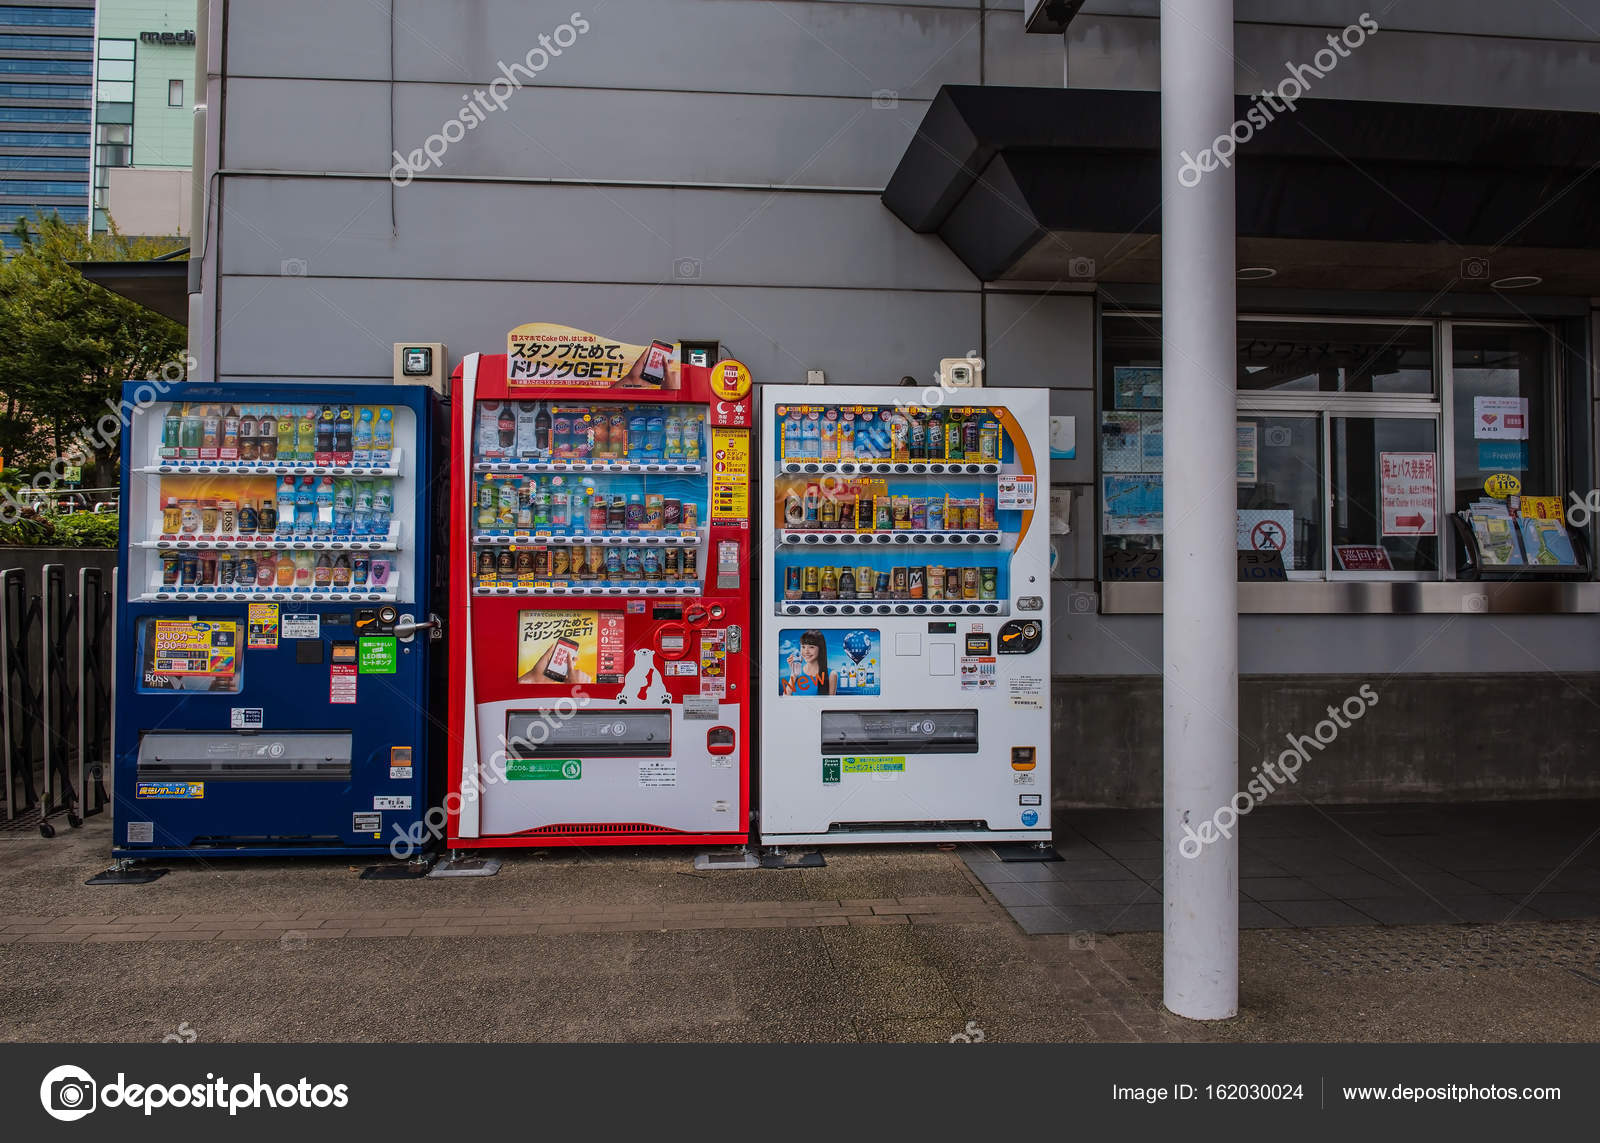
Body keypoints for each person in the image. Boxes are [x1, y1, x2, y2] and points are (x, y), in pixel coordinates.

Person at [783, 629, 835, 695]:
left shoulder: (831, 674)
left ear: (820, 649)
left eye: (811, 647)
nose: (806, 651)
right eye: (803, 647)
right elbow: (785, 699)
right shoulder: (797, 673)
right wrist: (794, 674)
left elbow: (829, 704)